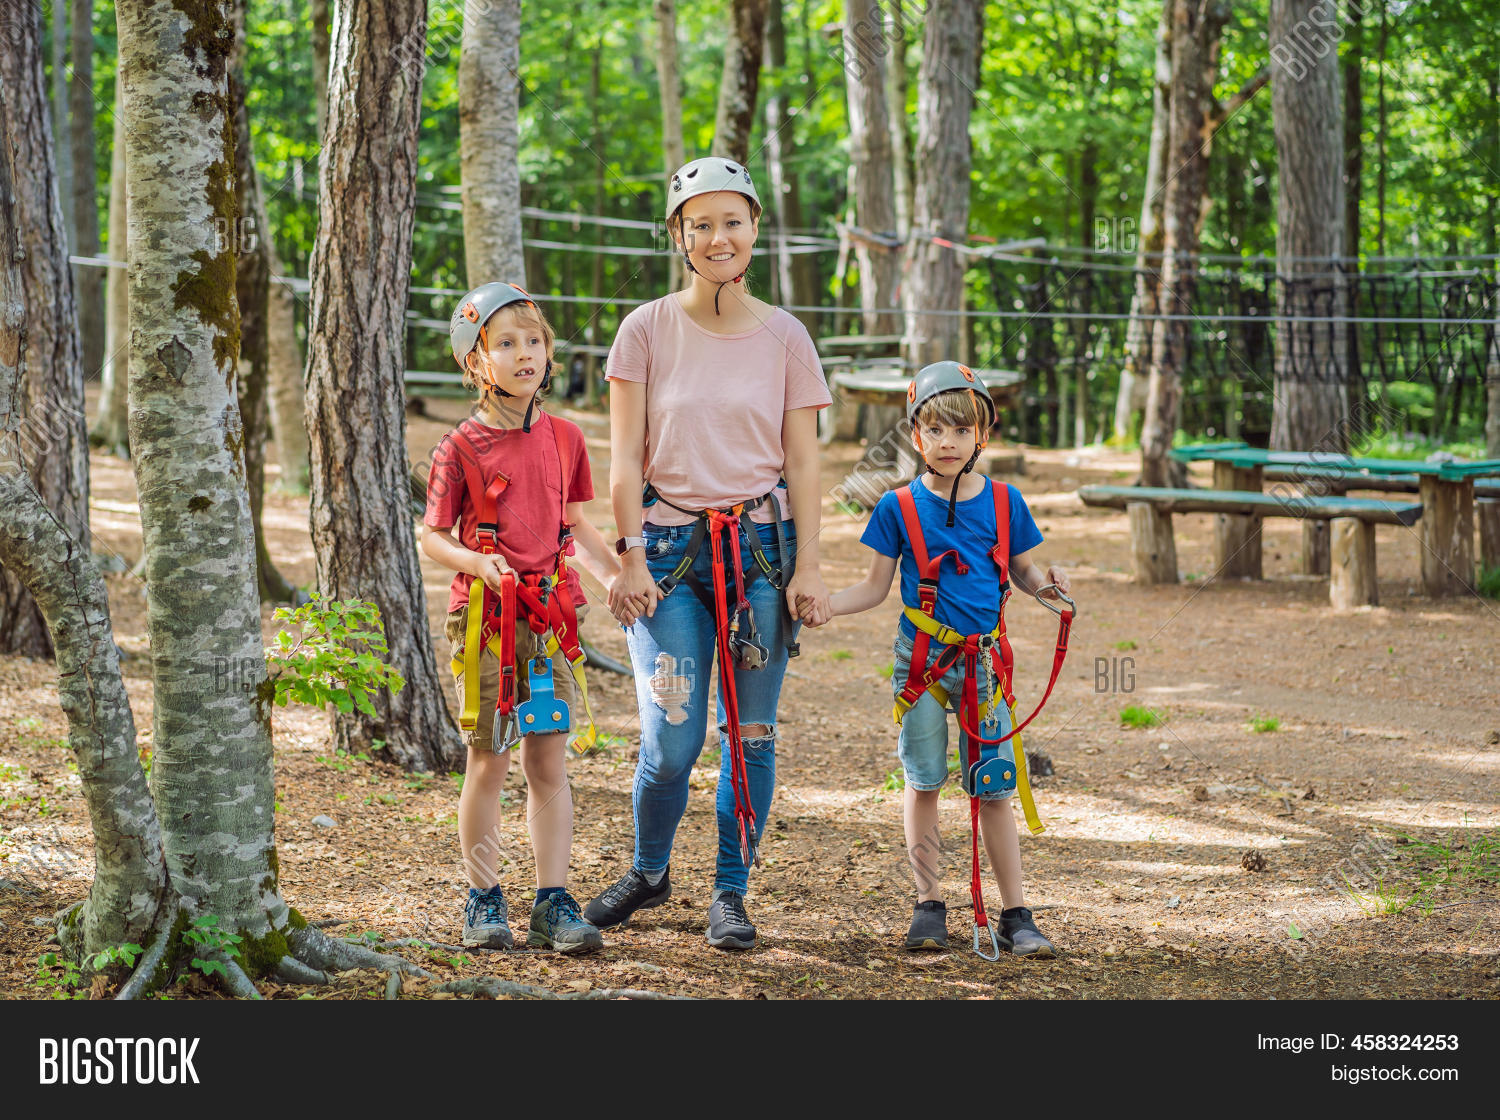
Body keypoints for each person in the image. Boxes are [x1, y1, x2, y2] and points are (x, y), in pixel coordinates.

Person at [584, 157, 832, 950]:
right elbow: (623, 458)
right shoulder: (646, 328)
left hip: (760, 549)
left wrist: (812, 563)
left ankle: (732, 891)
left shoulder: (786, 336)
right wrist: (626, 555)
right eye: (701, 224)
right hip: (665, 551)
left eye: (732, 220)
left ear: (755, 227)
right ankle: (651, 871)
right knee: (673, 738)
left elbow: (804, 461)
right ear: (680, 238)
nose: (718, 236)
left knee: (751, 732)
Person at [823, 361, 1072, 958]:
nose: (949, 442)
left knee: (994, 786)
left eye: (962, 431)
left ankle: (1016, 914)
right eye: (936, 430)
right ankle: (928, 904)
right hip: (924, 664)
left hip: (985, 665)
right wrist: (822, 606)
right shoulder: (897, 507)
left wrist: (1048, 588)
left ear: (980, 435)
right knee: (924, 780)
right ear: (916, 435)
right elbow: (874, 589)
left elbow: (1025, 570)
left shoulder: (1008, 502)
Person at [422, 282, 621, 954]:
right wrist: (477, 564)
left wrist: (619, 579)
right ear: (477, 362)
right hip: (485, 622)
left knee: (548, 761)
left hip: (550, 620)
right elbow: (432, 535)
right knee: (489, 760)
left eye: (534, 340)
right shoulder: (461, 447)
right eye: (506, 343)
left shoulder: (566, 438)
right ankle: (483, 898)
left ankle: (553, 901)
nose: (524, 353)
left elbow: (575, 525)